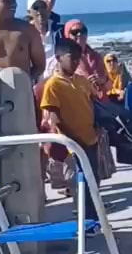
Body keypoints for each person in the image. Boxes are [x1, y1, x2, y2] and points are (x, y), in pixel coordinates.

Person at [40, 38, 101, 221]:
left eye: (78, 58)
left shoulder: (82, 81)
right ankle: (86, 221)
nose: (75, 62)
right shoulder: (53, 85)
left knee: (93, 182)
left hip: (91, 139)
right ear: (58, 58)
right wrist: (69, 139)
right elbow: (53, 116)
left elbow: (93, 102)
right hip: (72, 146)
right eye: (71, 58)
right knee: (80, 185)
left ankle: (95, 220)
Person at [45, 19, 110, 100]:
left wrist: (102, 80)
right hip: (75, 102)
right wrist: (83, 83)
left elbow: (109, 86)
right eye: (75, 32)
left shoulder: (96, 57)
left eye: (83, 31)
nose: (79, 34)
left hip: (101, 103)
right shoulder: (60, 58)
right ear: (67, 34)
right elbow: (55, 83)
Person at [26, 0, 63, 75]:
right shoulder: (25, 34)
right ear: (29, 12)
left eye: (43, 7)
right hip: (34, 82)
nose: (40, 11)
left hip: (55, 80)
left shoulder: (59, 31)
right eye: (36, 8)